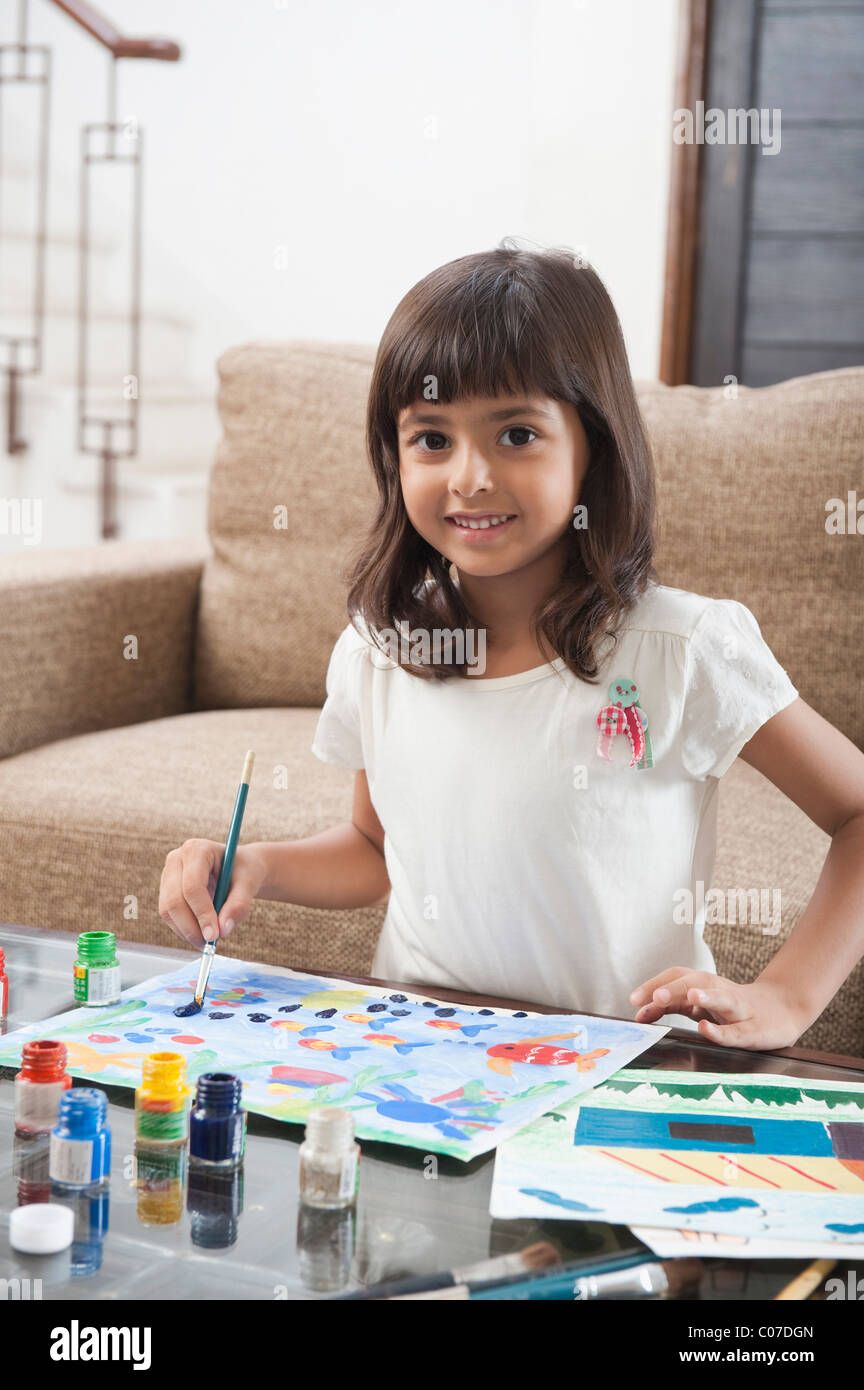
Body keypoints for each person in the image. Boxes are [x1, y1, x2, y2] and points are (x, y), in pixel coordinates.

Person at [159, 244, 864, 1049]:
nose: (470, 476)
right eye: (432, 439)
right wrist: (258, 865)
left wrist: (787, 996)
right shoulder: (378, 652)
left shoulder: (683, 648)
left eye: (517, 434)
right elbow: (374, 847)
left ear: (593, 446)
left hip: (610, 1064)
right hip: (421, 1058)